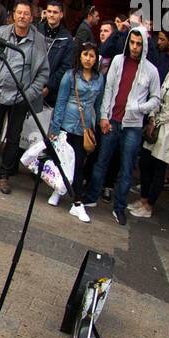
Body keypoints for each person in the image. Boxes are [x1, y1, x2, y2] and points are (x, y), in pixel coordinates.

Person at [77, 27, 162, 224]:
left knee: (126, 168)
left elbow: (156, 99)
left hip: (133, 125)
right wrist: (103, 116)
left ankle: (119, 206)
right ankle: (91, 197)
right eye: (132, 42)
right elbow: (108, 89)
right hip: (112, 120)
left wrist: (139, 107)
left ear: (144, 46)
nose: (134, 47)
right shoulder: (118, 61)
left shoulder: (151, 70)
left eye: (139, 44)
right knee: (101, 161)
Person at [0, 0, 49, 195]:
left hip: (21, 97)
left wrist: (30, 93)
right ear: (13, 15)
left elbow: (43, 72)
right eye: (19, 13)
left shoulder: (39, 41)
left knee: (13, 138)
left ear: (32, 18)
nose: (22, 17)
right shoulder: (1, 33)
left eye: (26, 14)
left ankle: (5, 176)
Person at [130, 39, 169, 220]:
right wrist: (152, 115)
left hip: (168, 127)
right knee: (146, 162)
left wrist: (157, 120)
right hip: (156, 122)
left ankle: (149, 205)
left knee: (159, 166)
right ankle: (143, 199)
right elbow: (159, 95)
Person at [49, 41, 105, 222]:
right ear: (79, 56)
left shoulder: (99, 79)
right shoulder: (70, 75)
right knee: (63, 161)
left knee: (78, 164)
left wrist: (96, 127)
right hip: (67, 124)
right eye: (85, 55)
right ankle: (60, 191)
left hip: (85, 127)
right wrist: (54, 128)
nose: (88, 59)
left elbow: (98, 104)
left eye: (92, 55)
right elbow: (60, 101)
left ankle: (76, 202)